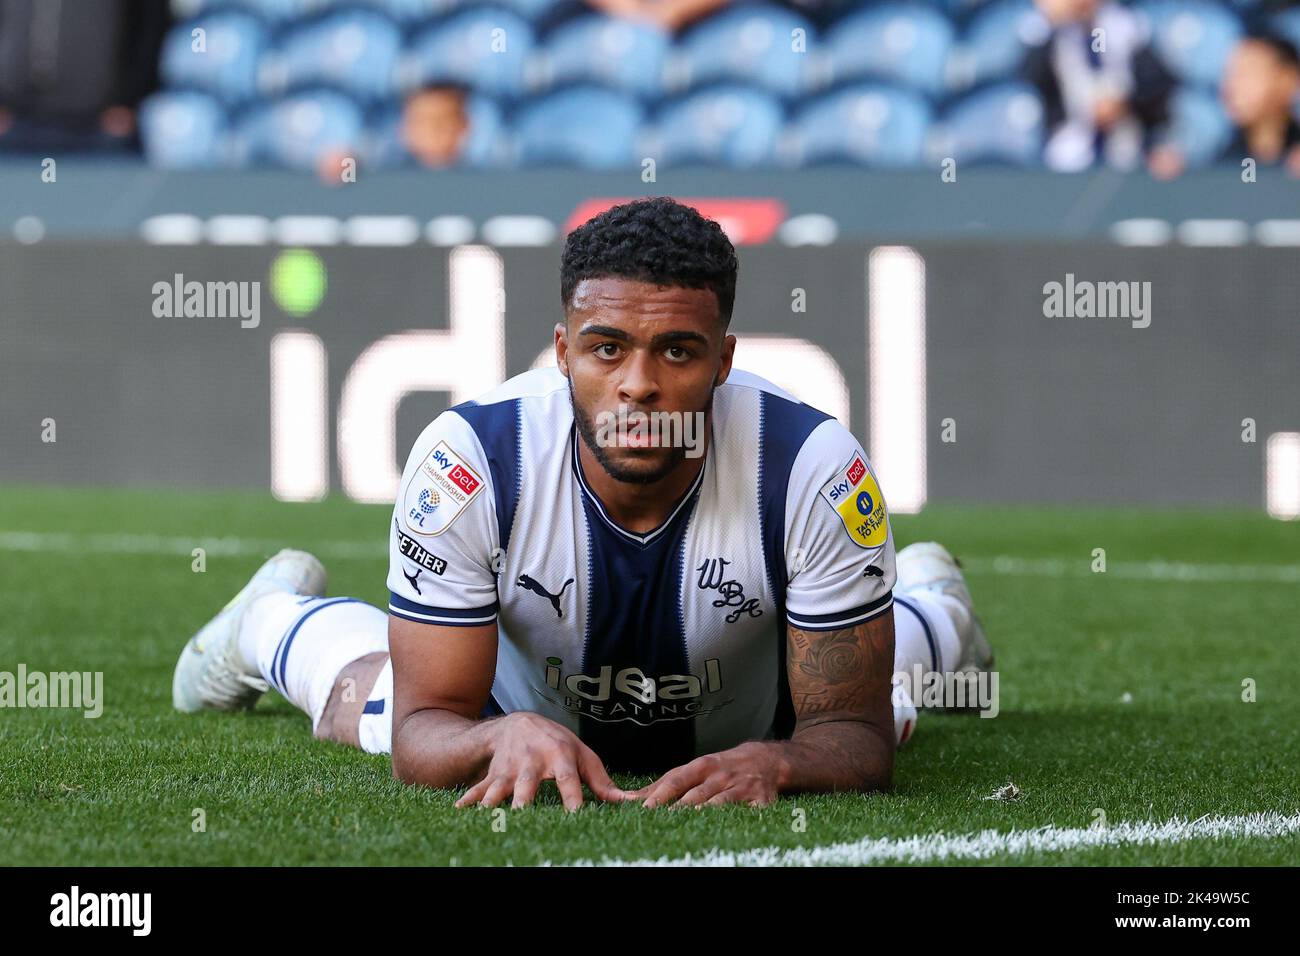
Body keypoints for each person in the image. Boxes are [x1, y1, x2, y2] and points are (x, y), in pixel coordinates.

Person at [172, 197, 993, 810]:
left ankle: (938, 605)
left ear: (724, 361)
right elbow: (428, 727)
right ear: (563, 352)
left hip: (755, 703)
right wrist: (495, 734)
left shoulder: (812, 467)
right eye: (608, 348)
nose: (640, 383)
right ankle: (265, 619)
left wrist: (779, 761)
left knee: (881, 698)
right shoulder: (472, 463)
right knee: (375, 704)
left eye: (678, 350)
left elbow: (850, 742)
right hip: (522, 702)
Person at [1023, 0, 1175, 171]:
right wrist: (1046, 22)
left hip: (1124, 146)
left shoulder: (1122, 26)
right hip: (1069, 150)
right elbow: (1031, 78)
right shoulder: (1055, 34)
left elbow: (1155, 84)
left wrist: (1123, 101)